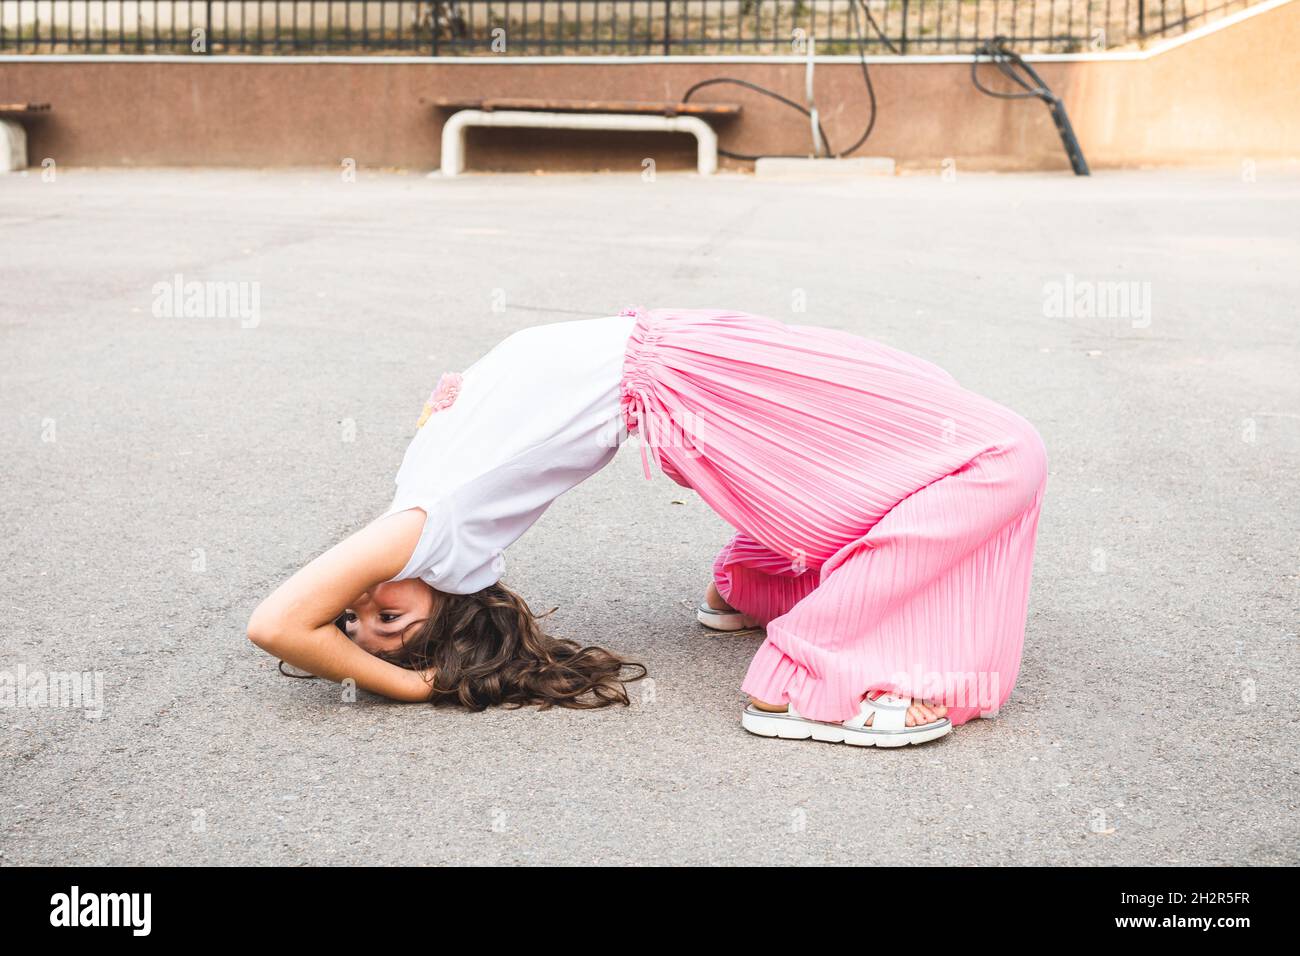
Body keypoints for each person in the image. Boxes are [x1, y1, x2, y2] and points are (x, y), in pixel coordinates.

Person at [248, 307, 1048, 748]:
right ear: (455, 598)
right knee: (1001, 452)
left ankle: (756, 583)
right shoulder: (433, 537)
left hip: (681, 361)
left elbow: (294, 621)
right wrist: (417, 685)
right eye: (388, 619)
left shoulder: (417, 516)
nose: (361, 598)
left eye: (359, 615)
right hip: (685, 378)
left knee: (951, 435)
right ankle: (805, 682)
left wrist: (392, 659)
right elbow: (277, 625)